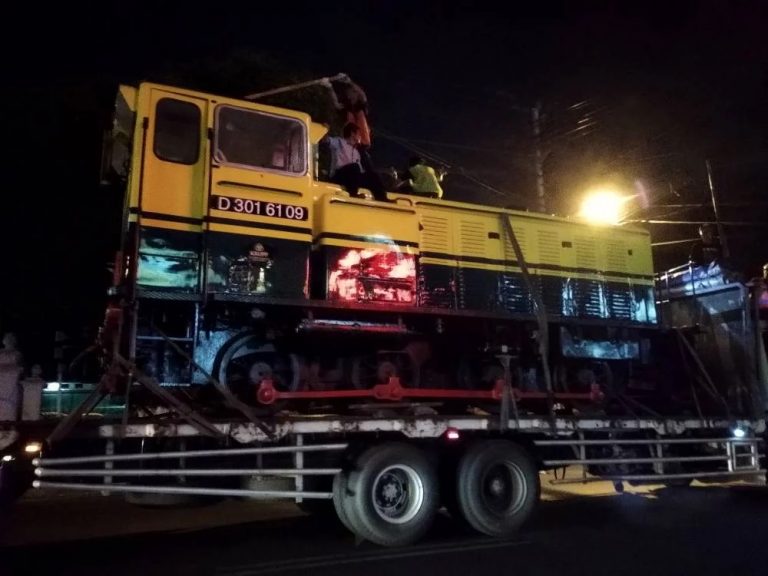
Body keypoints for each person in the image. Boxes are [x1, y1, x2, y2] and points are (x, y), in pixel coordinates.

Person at [326, 122, 387, 201]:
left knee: (373, 175)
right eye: (359, 134)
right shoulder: (339, 142)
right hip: (339, 176)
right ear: (352, 133)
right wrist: (325, 130)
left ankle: (382, 198)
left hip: (353, 177)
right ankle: (353, 195)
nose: (360, 137)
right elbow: (326, 140)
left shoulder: (357, 151)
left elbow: (361, 171)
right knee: (354, 167)